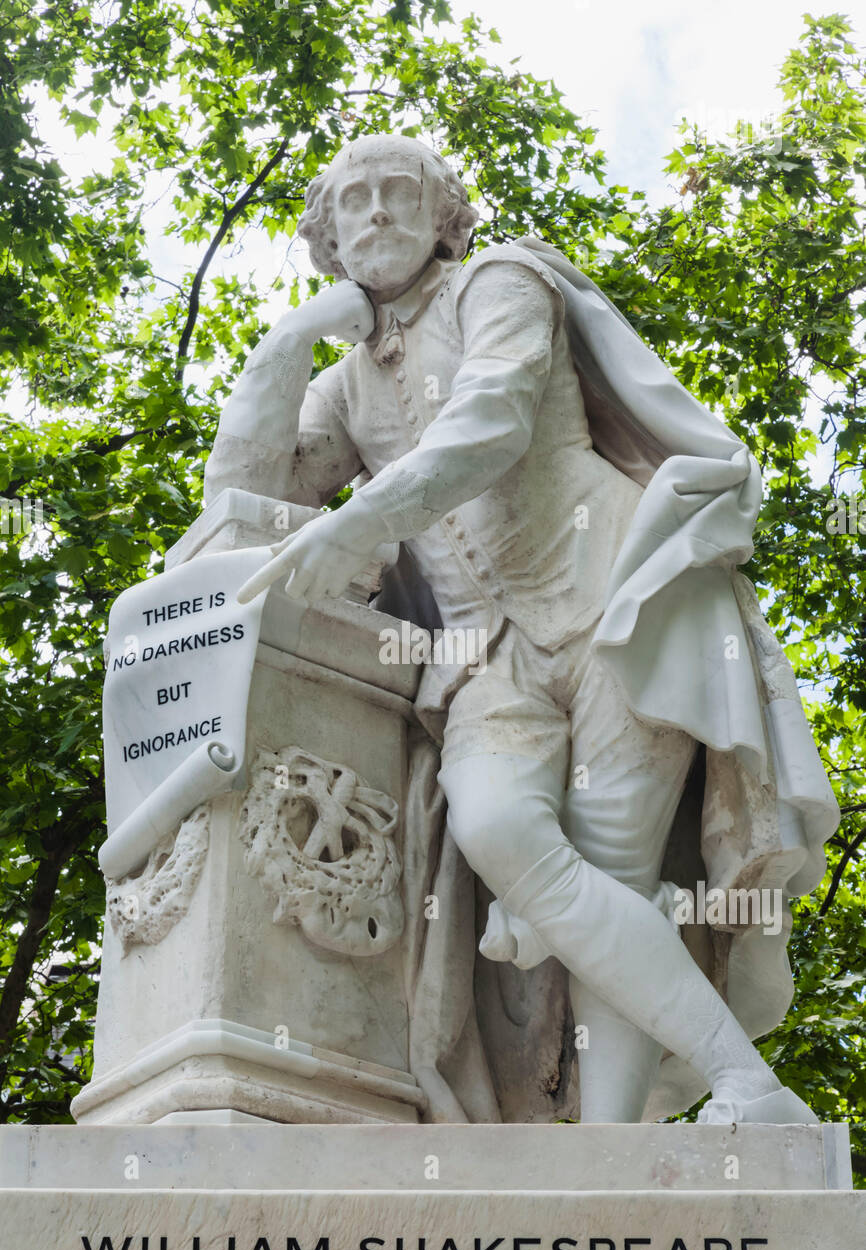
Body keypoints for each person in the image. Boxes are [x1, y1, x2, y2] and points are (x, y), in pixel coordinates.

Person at [206, 134, 836, 1123]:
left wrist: (362, 519)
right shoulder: (346, 382)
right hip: (480, 654)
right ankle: (738, 1078)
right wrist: (288, 346)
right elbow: (244, 497)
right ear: (325, 237)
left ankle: (628, 1145)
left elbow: (490, 420)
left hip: (616, 601)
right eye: (352, 201)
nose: (375, 213)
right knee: (501, 828)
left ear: (441, 211)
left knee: (608, 867)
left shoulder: (499, 281)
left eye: (395, 192)